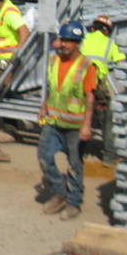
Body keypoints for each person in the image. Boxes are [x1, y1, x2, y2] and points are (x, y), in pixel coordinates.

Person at [38, 20, 99, 220]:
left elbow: (90, 97)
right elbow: (53, 87)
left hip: (75, 125)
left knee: (74, 164)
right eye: (63, 39)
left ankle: (74, 202)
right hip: (54, 122)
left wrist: (87, 126)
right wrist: (44, 106)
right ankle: (59, 191)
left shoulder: (87, 66)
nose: (64, 44)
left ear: (78, 43)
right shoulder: (55, 61)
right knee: (44, 157)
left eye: (70, 41)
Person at [80, 15, 127, 164]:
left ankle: (79, 152)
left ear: (93, 28)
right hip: (97, 85)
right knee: (107, 119)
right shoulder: (109, 43)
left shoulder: (84, 39)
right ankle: (109, 156)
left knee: (81, 115)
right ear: (107, 31)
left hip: (79, 81)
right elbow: (122, 61)